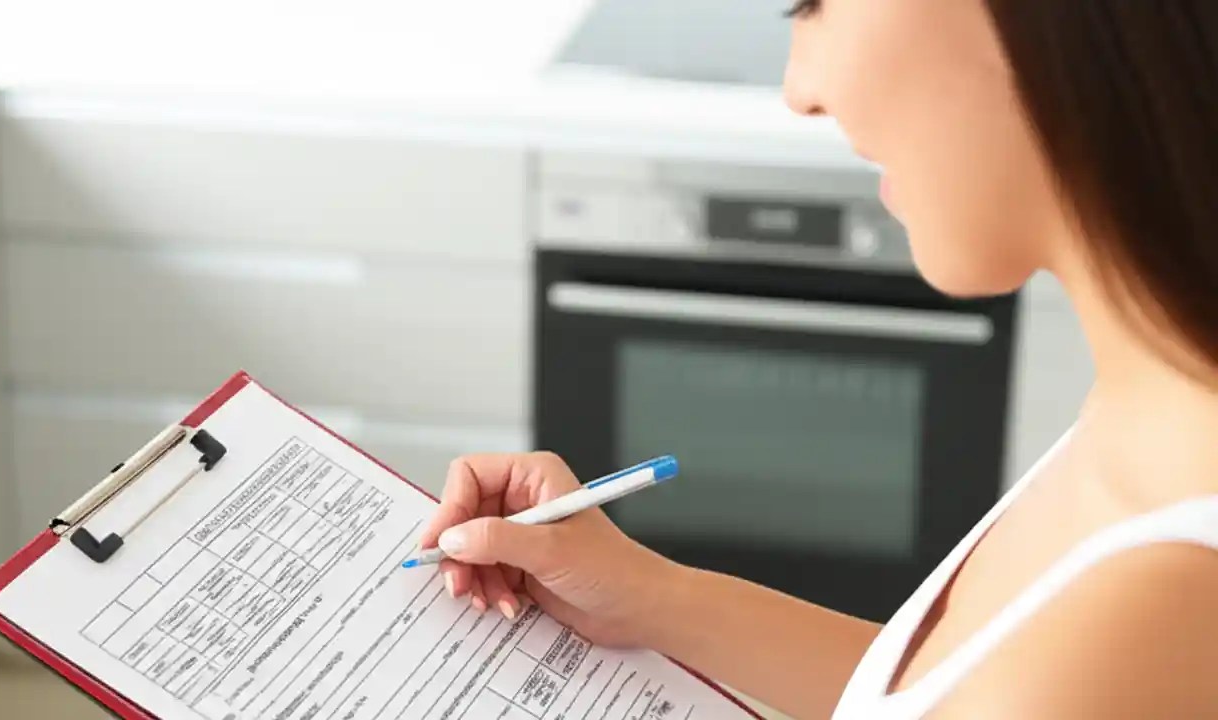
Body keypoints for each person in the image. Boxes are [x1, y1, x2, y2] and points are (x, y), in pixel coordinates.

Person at [417, 2, 1218, 718]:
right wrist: (649, 598)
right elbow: (937, 691)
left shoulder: (1128, 648)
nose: (800, 88)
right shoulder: (1162, 406)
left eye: (815, 3)